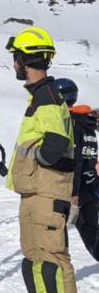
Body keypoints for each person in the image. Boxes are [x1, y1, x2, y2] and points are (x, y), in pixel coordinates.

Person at [3, 28, 76, 293]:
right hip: (33, 194)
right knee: (33, 265)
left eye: (15, 57)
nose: (14, 63)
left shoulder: (47, 97)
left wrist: (37, 165)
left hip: (47, 193)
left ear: (26, 59)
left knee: (52, 266)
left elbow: (56, 145)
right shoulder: (39, 97)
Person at [54, 78, 99, 259]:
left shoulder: (70, 122)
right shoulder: (87, 122)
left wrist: (73, 192)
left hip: (77, 188)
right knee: (92, 232)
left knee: (59, 231)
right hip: (92, 187)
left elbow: (77, 158)